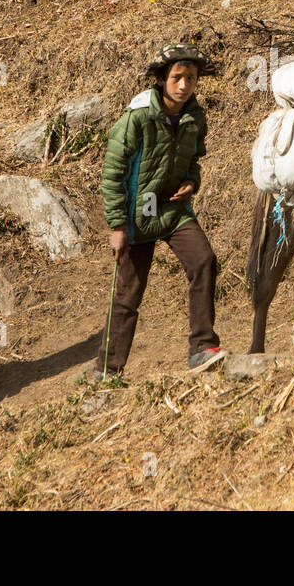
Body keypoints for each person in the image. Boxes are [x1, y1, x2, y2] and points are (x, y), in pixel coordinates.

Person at [95, 43, 223, 379]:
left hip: (172, 209)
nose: (184, 85)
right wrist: (118, 226)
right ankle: (106, 373)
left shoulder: (195, 117)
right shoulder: (137, 117)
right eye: (178, 78)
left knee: (203, 260)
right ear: (161, 79)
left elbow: (194, 161)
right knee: (128, 294)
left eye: (191, 78)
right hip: (139, 215)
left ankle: (202, 348)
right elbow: (113, 173)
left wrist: (192, 183)